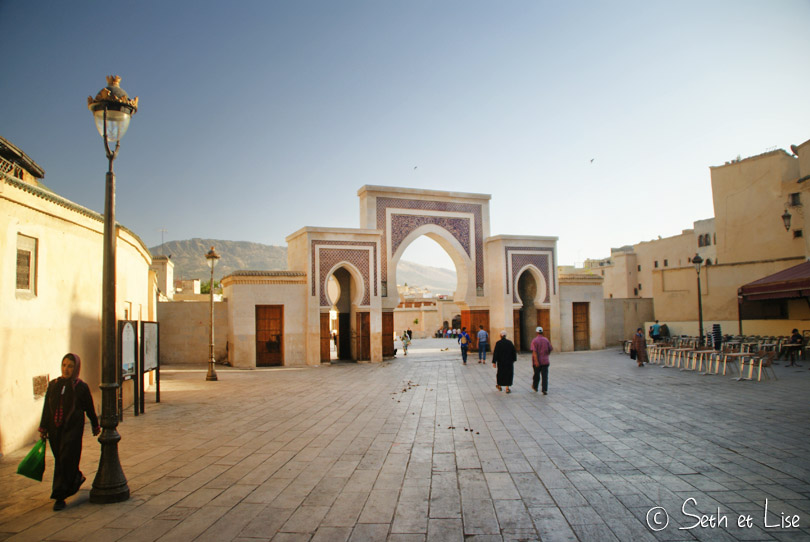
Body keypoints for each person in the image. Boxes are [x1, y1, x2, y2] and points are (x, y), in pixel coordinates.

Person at [38, 353, 100, 511]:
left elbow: (89, 407)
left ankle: (59, 496)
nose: (66, 369)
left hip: (73, 430)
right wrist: (43, 427)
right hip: (55, 430)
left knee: (66, 458)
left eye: (70, 366)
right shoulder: (54, 385)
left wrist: (95, 425)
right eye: (64, 365)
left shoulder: (81, 387)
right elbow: (47, 408)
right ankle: (75, 478)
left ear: (76, 368)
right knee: (60, 459)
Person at [530, 326, 553, 394]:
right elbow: (550, 349)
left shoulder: (534, 341)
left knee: (536, 375)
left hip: (537, 362)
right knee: (545, 376)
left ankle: (535, 387)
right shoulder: (546, 340)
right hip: (545, 361)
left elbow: (534, 352)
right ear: (542, 332)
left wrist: (536, 361)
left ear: (536, 332)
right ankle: (544, 389)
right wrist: (547, 354)